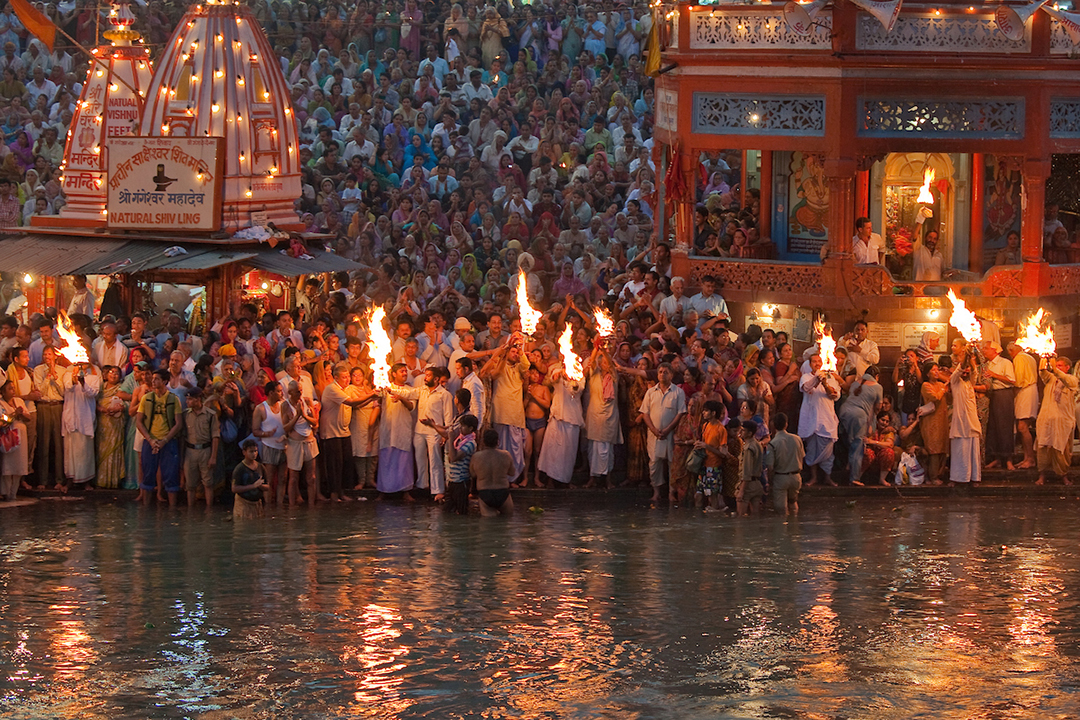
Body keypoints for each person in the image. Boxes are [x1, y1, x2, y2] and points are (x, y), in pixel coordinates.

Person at [480, 332, 530, 483]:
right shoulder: (499, 364)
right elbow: (494, 375)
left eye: (517, 352)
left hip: (515, 413)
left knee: (516, 446)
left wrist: (520, 348)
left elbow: (526, 365)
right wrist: (503, 353)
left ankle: (513, 477)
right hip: (501, 411)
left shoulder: (520, 367)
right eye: (512, 352)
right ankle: (501, 477)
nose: (515, 354)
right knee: (500, 445)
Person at [638, 362, 687, 505]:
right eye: (660, 372)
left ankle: (671, 492)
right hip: (654, 434)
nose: (662, 374)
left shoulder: (678, 392)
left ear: (671, 375)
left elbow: (680, 414)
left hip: (671, 433)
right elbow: (645, 413)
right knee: (654, 463)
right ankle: (656, 492)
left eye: (666, 372)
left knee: (673, 463)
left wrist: (668, 429)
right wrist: (654, 429)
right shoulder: (651, 392)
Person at [136, 369, 183, 506]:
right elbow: (139, 421)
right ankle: (145, 510)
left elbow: (178, 424)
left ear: (164, 381)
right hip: (150, 441)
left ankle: (172, 510)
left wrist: (164, 440)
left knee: (171, 475)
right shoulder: (146, 398)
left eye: (157, 379)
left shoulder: (174, 399)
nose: (153, 381)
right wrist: (151, 440)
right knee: (148, 475)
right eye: (153, 378)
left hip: (168, 442)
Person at [535, 362, 584, 487]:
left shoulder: (579, 374)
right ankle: (550, 480)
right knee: (552, 449)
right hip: (557, 416)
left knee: (569, 451)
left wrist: (571, 378)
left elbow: (578, 389)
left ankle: (566, 480)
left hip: (572, 417)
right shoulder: (557, 371)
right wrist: (562, 373)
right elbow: (553, 378)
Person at [583, 341, 622, 487]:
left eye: (607, 362)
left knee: (608, 451)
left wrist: (604, 351)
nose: (605, 364)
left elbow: (612, 366)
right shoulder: (594, 375)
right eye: (603, 362)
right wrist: (596, 348)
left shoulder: (613, 376)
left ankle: (608, 478)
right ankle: (592, 478)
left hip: (610, 416)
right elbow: (592, 361)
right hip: (595, 415)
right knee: (593, 449)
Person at [798, 353, 840, 486]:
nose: (817, 364)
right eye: (814, 362)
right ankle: (814, 478)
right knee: (811, 449)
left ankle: (827, 478)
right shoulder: (806, 377)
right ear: (810, 364)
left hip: (827, 419)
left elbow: (834, 395)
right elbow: (807, 388)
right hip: (811, 419)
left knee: (828, 452)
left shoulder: (831, 378)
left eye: (819, 361)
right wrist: (817, 379)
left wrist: (825, 382)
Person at [1035, 354, 1077, 486]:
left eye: (1059, 366)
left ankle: (1063, 476)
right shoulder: (1050, 379)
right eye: (1056, 365)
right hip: (1046, 419)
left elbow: (1064, 379)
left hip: (1063, 422)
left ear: (1067, 367)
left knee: (1062, 450)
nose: (1056, 368)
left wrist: (1054, 369)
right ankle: (1042, 476)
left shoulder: (1072, 379)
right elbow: (1042, 373)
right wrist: (1044, 358)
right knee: (1043, 448)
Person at [838, 366, 883, 486]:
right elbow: (878, 407)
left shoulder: (855, 383)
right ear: (877, 376)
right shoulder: (877, 387)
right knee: (858, 445)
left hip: (844, 411)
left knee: (849, 441)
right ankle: (854, 477)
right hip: (858, 415)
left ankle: (848, 465)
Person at [283, 379, 321, 506]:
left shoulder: (307, 401)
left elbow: (315, 422)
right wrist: (297, 416)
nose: (300, 393)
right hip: (295, 443)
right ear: (290, 392)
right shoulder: (285, 405)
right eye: (297, 391)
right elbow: (286, 428)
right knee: (293, 478)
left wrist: (304, 415)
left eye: (301, 390)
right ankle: (292, 508)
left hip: (309, 441)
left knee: (312, 477)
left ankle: (311, 506)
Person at [62, 361, 100, 489]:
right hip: (71, 417)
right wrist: (74, 379)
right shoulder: (67, 375)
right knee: (70, 451)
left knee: (85, 451)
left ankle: (86, 481)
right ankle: (70, 480)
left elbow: (93, 393)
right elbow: (68, 387)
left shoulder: (94, 378)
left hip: (85, 418)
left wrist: (83, 382)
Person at [182, 387, 220, 508]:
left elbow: (215, 436)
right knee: (190, 485)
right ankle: (190, 511)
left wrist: (213, 457)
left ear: (198, 399)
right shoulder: (185, 415)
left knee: (208, 483)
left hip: (205, 450)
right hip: (190, 451)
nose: (187, 402)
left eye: (190, 399)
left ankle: (209, 510)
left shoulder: (210, 415)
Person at [252, 380, 288, 505]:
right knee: (269, 478)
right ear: (271, 393)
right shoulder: (261, 408)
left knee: (283, 479)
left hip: (284, 446)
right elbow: (255, 430)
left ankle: (280, 505)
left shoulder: (284, 405)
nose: (281, 393)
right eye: (278, 391)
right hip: (269, 446)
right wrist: (266, 434)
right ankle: (267, 506)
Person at [981, 341, 1016, 470]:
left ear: (994, 350)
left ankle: (1008, 458)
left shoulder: (1005, 363)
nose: (984, 351)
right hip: (991, 395)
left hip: (1003, 395)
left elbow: (1012, 380)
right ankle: (996, 458)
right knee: (993, 427)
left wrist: (994, 375)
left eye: (986, 348)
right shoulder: (985, 364)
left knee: (1004, 426)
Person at [949, 349, 982, 485]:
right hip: (961, 423)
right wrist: (964, 361)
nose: (966, 372)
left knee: (973, 453)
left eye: (967, 370)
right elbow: (959, 371)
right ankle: (958, 478)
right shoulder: (955, 382)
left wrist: (971, 360)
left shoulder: (970, 384)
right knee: (960, 452)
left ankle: (974, 477)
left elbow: (975, 373)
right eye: (964, 370)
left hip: (972, 422)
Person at [764, 412, 804, 515]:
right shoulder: (797, 439)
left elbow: (770, 466)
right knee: (793, 502)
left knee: (781, 509)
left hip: (781, 477)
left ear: (773, 425)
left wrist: (770, 481)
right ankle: (794, 525)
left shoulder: (773, 443)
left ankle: (782, 529)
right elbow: (802, 457)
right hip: (796, 476)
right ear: (786, 424)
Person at [1007, 342, 1038, 469]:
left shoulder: (1019, 358)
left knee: (1022, 426)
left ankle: (1030, 458)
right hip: (1030, 390)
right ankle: (1027, 457)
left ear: (1011, 350)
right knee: (1024, 426)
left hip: (1025, 391)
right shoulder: (1030, 357)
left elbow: (1018, 380)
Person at [96, 365, 127, 490]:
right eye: (111, 372)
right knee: (101, 450)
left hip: (115, 422)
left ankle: (113, 480)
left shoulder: (121, 389)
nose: (113, 375)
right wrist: (104, 410)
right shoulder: (100, 388)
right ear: (106, 374)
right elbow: (95, 402)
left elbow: (124, 404)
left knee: (114, 450)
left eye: (116, 373)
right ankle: (100, 480)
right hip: (103, 422)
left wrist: (118, 408)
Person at [470, 428, 514, 516]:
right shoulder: (506, 455)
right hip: (503, 492)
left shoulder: (476, 457)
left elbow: (473, 474)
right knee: (507, 522)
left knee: (488, 526)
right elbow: (512, 473)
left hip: (485, 492)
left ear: (483, 442)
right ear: (498, 442)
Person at [693, 400, 728, 512]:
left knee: (713, 496)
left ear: (713, 413)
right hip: (703, 465)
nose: (703, 412)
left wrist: (706, 446)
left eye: (706, 410)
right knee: (698, 495)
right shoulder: (705, 425)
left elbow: (723, 454)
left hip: (713, 467)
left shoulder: (721, 429)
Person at [0, 376, 30, 500]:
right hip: (8, 438)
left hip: (21, 436)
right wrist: (13, 414)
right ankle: (6, 492)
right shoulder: (0, 403)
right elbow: (2, 421)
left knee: (19, 464)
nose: (13, 391)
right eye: (10, 389)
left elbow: (29, 418)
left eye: (13, 388)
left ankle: (14, 492)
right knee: (7, 466)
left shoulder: (19, 401)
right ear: (3, 391)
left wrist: (21, 413)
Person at [445, 413, 478, 514]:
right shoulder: (460, 440)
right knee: (447, 513)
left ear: (470, 428)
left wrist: (450, 439)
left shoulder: (470, 443)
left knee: (461, 512)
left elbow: (454, 458)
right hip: (452, 481)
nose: (460, 428)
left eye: (463, 426)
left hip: (461, 482)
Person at [232, 438, 269, 519]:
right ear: (244, 452)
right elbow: (234, 488)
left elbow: (268, 486)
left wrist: (261, 486)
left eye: (255, 451)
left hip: (257, 504)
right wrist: (253, 486)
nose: (254, 454)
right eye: (251, 451)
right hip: (243, 504)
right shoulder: (240, 468)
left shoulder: (260, 467)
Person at [736, 420, 764, 516]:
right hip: (757, 483)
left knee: (740, 519)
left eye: (743, 430)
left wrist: (741, 491)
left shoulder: (748, 448)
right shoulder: (758, 444)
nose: (740, 432)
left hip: (747, 485)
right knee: (755, 517)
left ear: (750, 433)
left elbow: (746, 472)